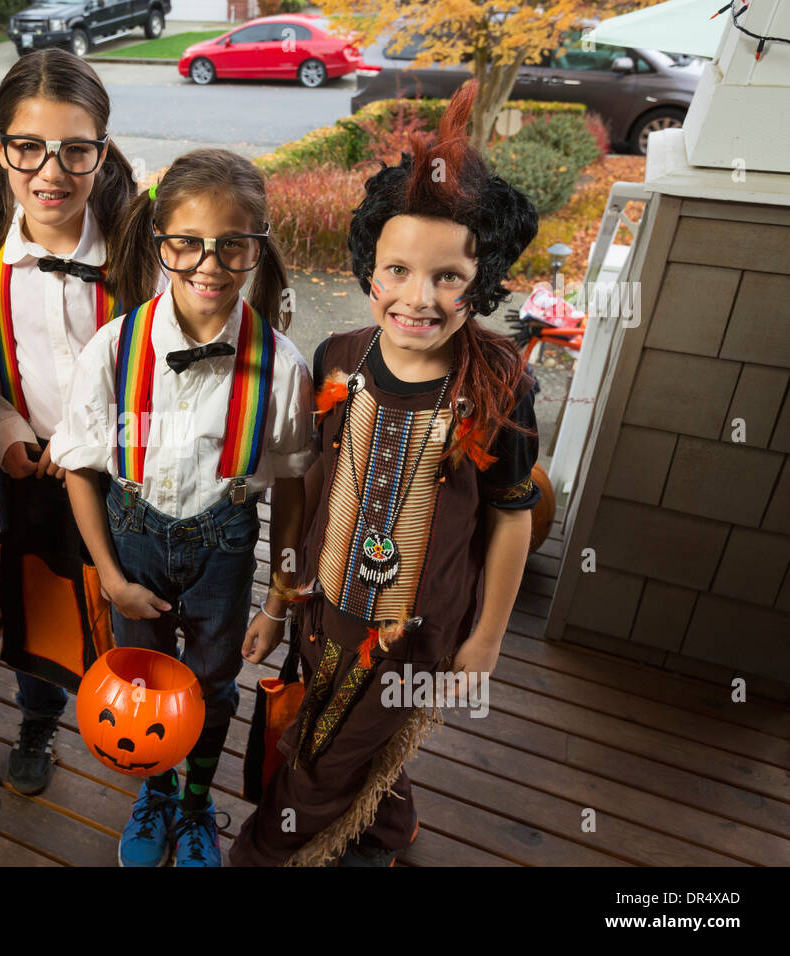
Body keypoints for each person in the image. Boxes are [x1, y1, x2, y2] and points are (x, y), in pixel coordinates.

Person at [228, 80, 542, 867]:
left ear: (484, 281)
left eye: (447, 278)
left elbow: (509, 513)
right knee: (342, 741)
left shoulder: (502, 388)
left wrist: (490, 640)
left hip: (415, 632)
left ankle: (265, 855)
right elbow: (303, 482)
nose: (418, 298)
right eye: (397, 270)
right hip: (324, 607)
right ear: (370, 267)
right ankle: (386, 842)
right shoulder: (338, 358)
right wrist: (286, 586)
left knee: (323, 758)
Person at [51, 149, 316, 866]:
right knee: (138, 675)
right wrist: (106, 572)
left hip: (225, 546)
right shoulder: (113, 349)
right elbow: (78, 466)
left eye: (233, 245)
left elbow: (292, 487)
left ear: (257, 246)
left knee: (213, 682)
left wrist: (278, 602)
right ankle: (157, 791)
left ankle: (197, 802)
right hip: (130, 536)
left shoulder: (282, 365)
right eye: (188, 243)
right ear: (159, 240)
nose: (210, 264)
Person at [0, 48, 139, 796]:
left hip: (125, 471)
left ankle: (138, 703)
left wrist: (102, 442)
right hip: (29, 468)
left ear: (102, 149)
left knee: (125, 590)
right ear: (0, 149)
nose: (50, 172)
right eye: (28, 148)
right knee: (40, 590)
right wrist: (5, 432)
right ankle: (38, 713)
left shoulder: (138, 259)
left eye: (75, 150)